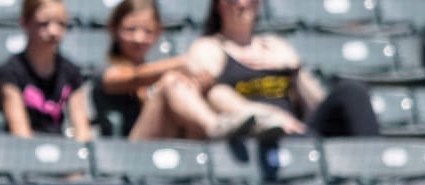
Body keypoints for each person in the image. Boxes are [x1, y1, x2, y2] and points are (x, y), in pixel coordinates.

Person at [183, 0, 379, 138]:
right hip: (256, 133)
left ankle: (375, 168)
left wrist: (296, 71)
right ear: (219, 5)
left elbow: (315, 105)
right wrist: (269, 116)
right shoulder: (208, 48)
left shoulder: (276, 46)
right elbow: (214, 95)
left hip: (296, 128)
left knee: (352, 91)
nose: (243, 4)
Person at [94, 0, 262, 140]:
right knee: (171, 81)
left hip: (170, 140)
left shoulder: (157, 69)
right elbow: (134, 78)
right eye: (130, 30)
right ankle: (216, 127)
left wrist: (198, 83)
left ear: (159, 32)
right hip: (129, 152)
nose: (139, 38)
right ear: (113, 29)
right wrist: (185, 62)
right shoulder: (106, 69)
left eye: (148, 31)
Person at [0, 0, 94, 140]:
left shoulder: (71, 71)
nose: (53, 31)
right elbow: (20, 132)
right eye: (43, 23)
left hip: (62, 149)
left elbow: (82, 130)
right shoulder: (10, 71)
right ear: (25, 23)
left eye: (61, 24)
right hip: (21, 153)